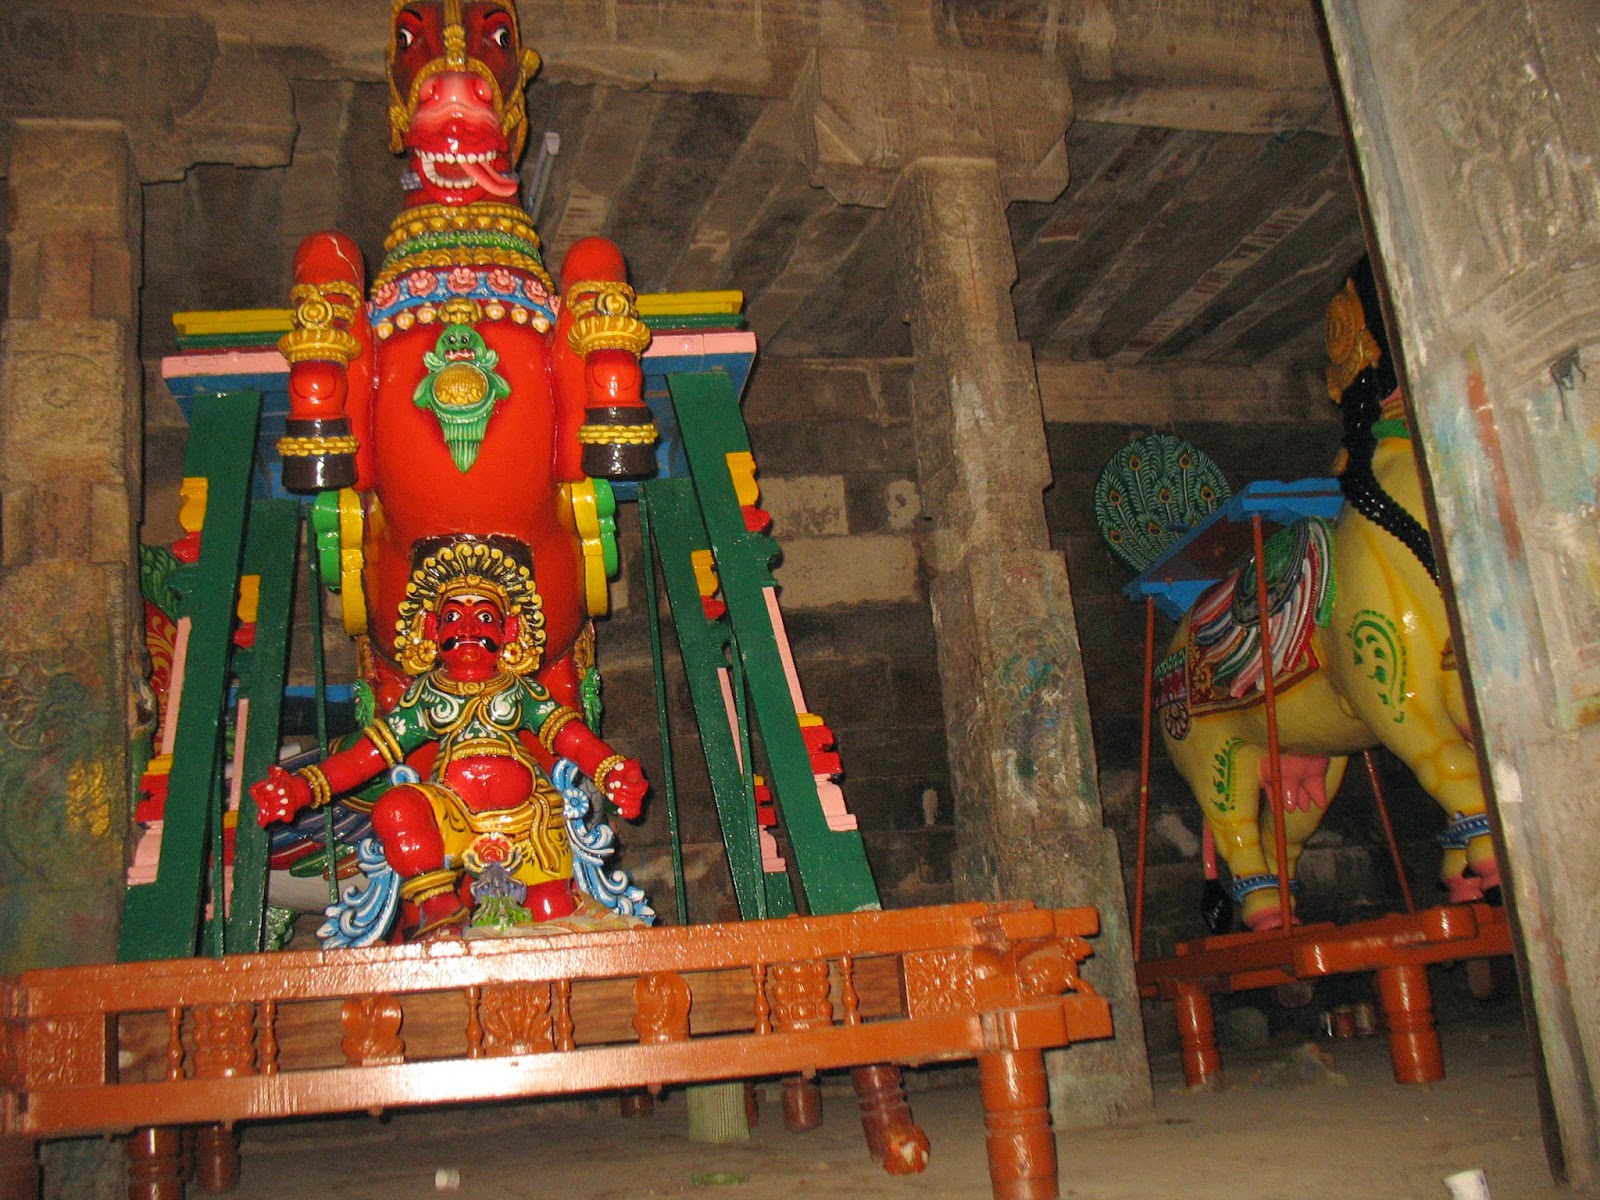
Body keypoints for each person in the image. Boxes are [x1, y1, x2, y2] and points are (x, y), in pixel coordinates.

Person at [251, 540, 646, 939]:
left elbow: (570, 738)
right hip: (452, 817)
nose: (469, 629)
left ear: (509, 630)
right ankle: (439, 908)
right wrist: (303, 788)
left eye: (485, 617)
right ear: (431, 629)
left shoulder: (522, 692)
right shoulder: (425, 698)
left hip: (531, 823)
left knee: (554, 916)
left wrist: (611, 771)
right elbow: (363, 758)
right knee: (396, 807)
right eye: (454, 616)